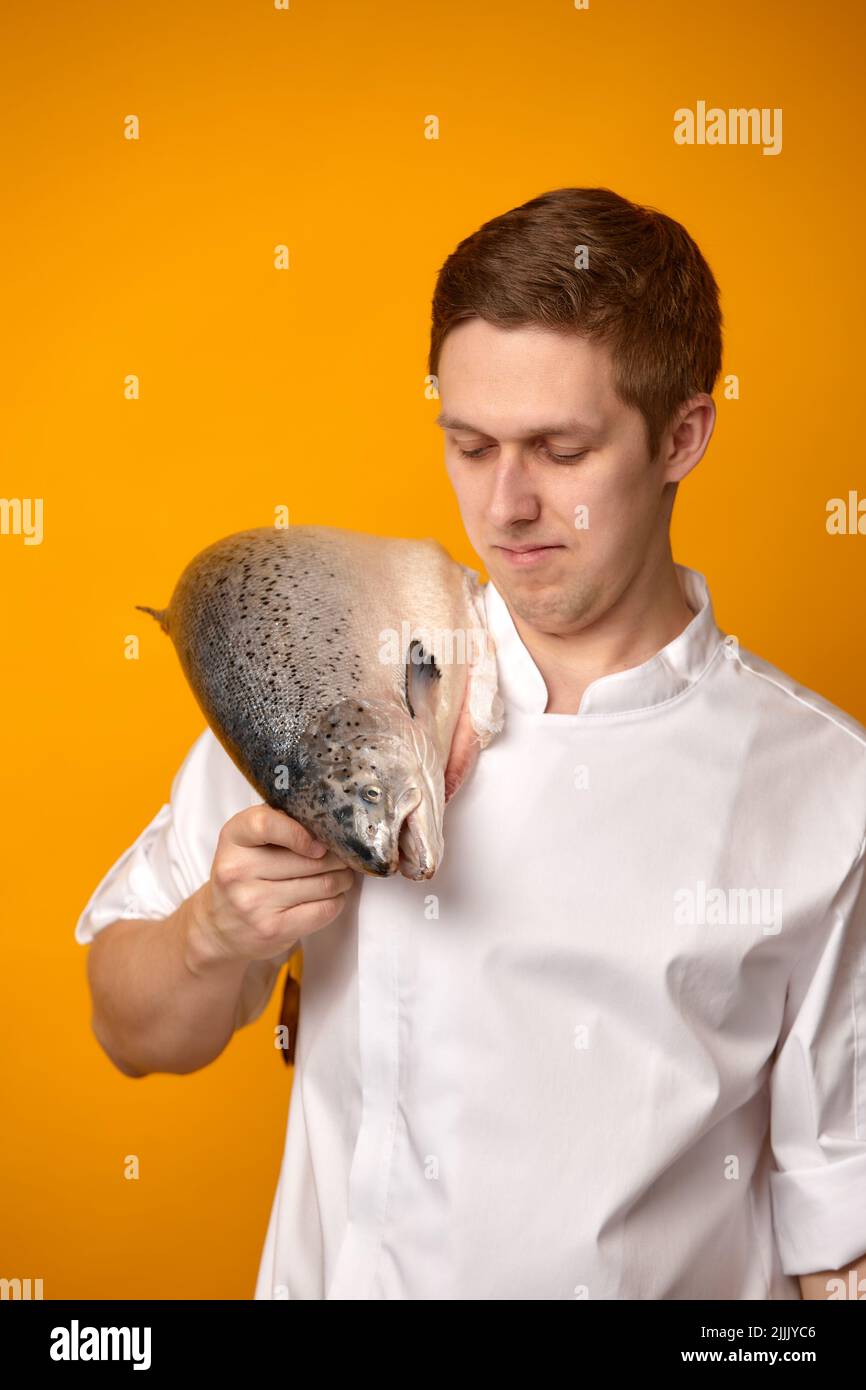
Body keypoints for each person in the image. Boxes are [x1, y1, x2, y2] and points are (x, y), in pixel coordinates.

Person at [75, 187, 866, 1300]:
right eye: (470, 444)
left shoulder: (827, 789)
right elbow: (127, 1024)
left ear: (681, 434)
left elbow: (839, 1230)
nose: (505, 505)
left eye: (560, 448)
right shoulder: (338, 676)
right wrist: (215, 931)